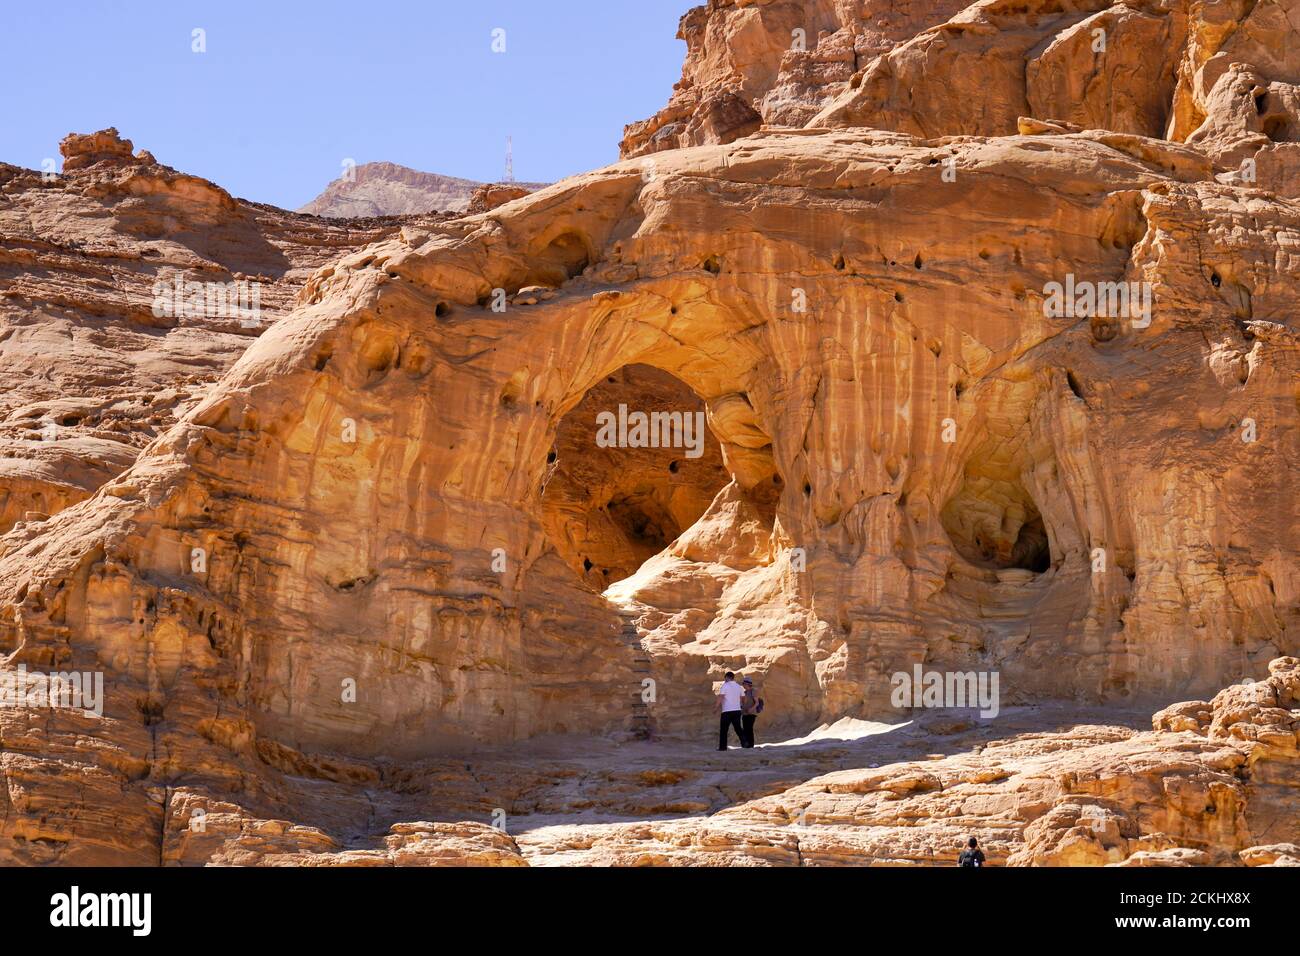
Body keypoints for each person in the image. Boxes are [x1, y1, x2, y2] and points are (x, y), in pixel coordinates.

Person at [715, 672, 744, 750]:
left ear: (727, 677)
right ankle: (745, 743)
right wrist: (740, 705)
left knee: (724, 730)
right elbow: (742, 698)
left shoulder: (725, 686)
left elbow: (721, 697)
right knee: (738, 728)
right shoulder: (739, 687)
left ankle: (722, 747)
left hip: (727, 711)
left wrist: (716, 707)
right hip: (737, 710)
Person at [740, 677, 763, 748]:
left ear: (747, 684)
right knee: (745, 729)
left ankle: (751, 745)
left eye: (744, 684)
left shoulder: (753, 691)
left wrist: (751, 709)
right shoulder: (744, 693)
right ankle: (746, 744)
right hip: (744, 713)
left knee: (749, 728)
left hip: (751, 713)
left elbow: (757, 703)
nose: (743, 685)